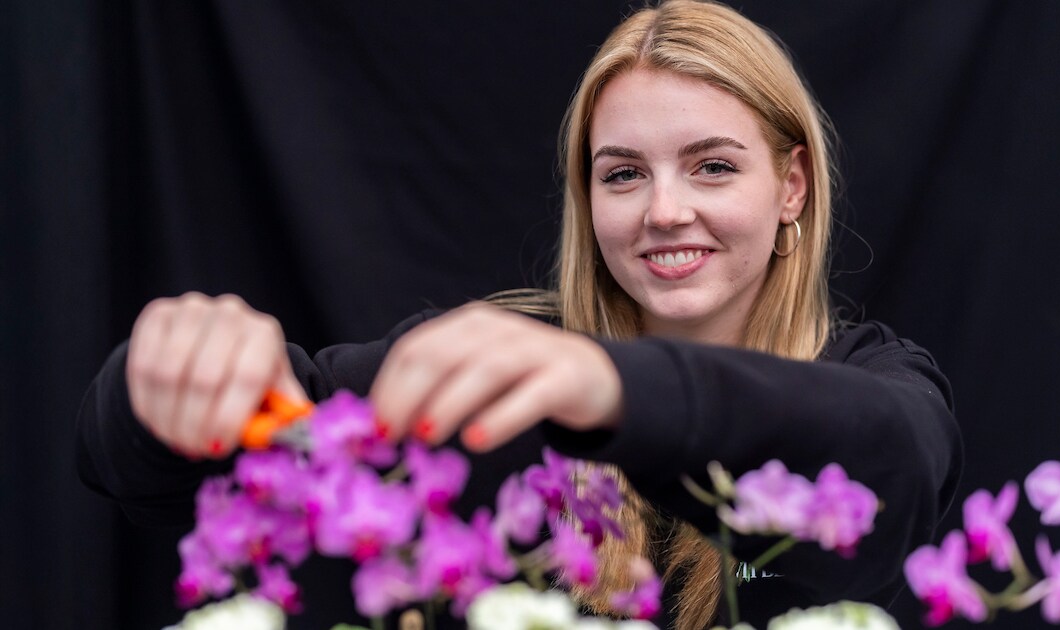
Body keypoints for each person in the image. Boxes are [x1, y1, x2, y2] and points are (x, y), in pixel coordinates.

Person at [77, 1, 962, 628]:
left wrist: (610, 389)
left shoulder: (873, 381)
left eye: (713, 167)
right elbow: (145, 469)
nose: (663, 211)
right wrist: (160, 379)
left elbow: (894, 465)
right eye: (622, 174)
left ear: (792, 187)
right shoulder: (504, 364)